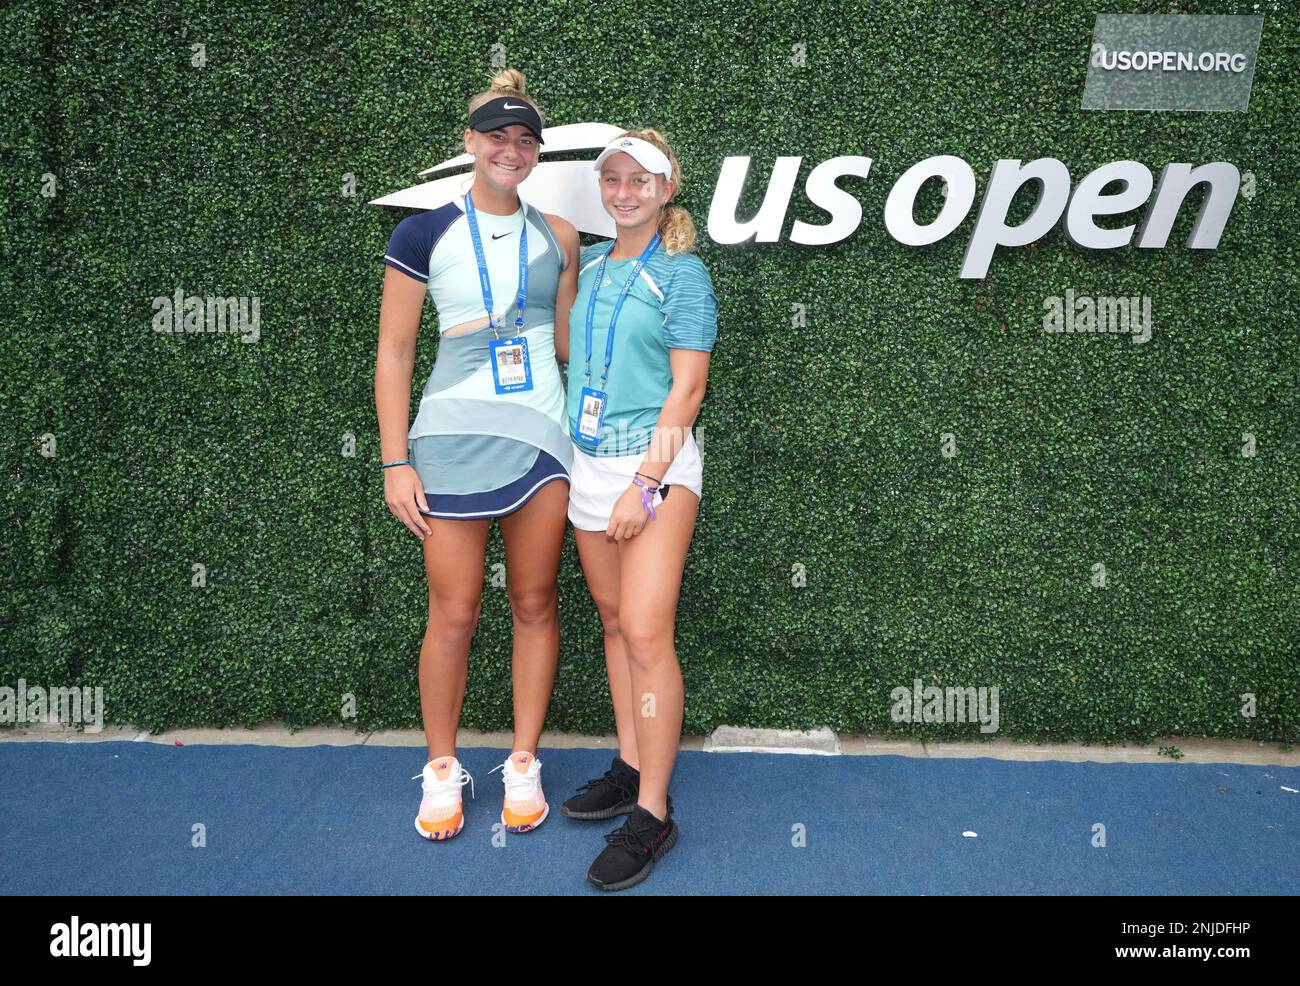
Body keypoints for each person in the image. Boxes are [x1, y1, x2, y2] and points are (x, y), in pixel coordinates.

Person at [374, 68, 579, 841]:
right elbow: (394, 354)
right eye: (497, 136)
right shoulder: (422, 232)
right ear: (470, 143)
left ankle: (523, 761)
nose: (511, 149)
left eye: (525, 139)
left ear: (536, 154)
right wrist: (396, 462)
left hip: (542, 436)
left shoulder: (560, 236)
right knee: (454, 613)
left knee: (534, 603)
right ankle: (440, 770)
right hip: (449, 442)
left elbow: (563, 342)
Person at [556, 130, 719, 889]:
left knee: (649, 632)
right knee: (614, 620)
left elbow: (686, 391)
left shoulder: (682, 275)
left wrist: (645, 483)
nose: (624, 192)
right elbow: (571, 355)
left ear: (665, 189)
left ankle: (653, 812)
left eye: (639, 181)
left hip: (654, 470)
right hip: (589, 465)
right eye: (612, 179)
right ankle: (629, 760)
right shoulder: (589, 264)